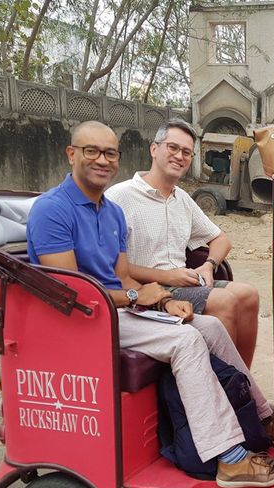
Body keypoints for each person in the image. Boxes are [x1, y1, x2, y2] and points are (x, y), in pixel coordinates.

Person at [26, 120, 274, 488]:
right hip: (82, 319)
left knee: (209, 327)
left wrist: (163, 302)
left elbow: (124, 276)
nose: (102, 160)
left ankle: (260, 416)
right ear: (71, 154)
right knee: (187, 341)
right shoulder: (52, 210)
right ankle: (230, 459)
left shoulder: (109, 211)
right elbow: (73, 293)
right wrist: (134, 297)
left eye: (110, 153)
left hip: (117, 310)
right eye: (91, 151)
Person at [106, 119, 260, 367]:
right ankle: (226, 388)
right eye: (173, 148)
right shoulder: (119, 198)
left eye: (186, 152)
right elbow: (113, 267)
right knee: (225, 301)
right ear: (154, 149)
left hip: (183, 282)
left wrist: (208, 265)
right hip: (146, 288)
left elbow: (221, 239)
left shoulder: (183, 200)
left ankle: (242, 384)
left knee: (248, 294)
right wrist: (167, 276)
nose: (179, 156)